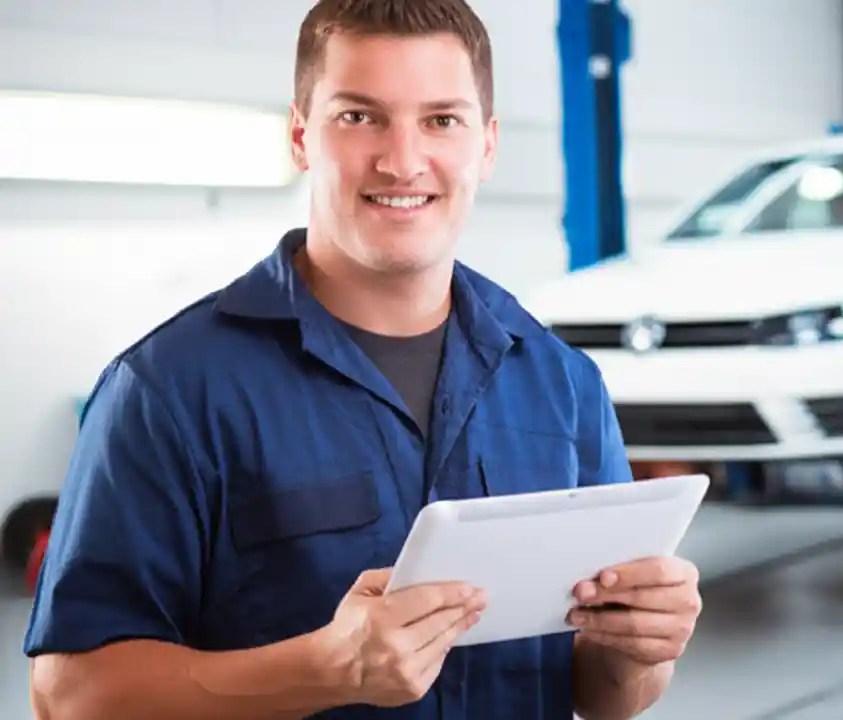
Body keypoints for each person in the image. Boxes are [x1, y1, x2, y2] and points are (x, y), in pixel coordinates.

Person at [24, 0, 703, 717]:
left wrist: (637, 651)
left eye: (441, 120)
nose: (402, 160)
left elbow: (602, 697)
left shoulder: (563, 384)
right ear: (300, 136)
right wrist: (325, 668)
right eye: (359, 116)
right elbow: (70, 696)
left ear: (488, 144)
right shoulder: (170, 391)